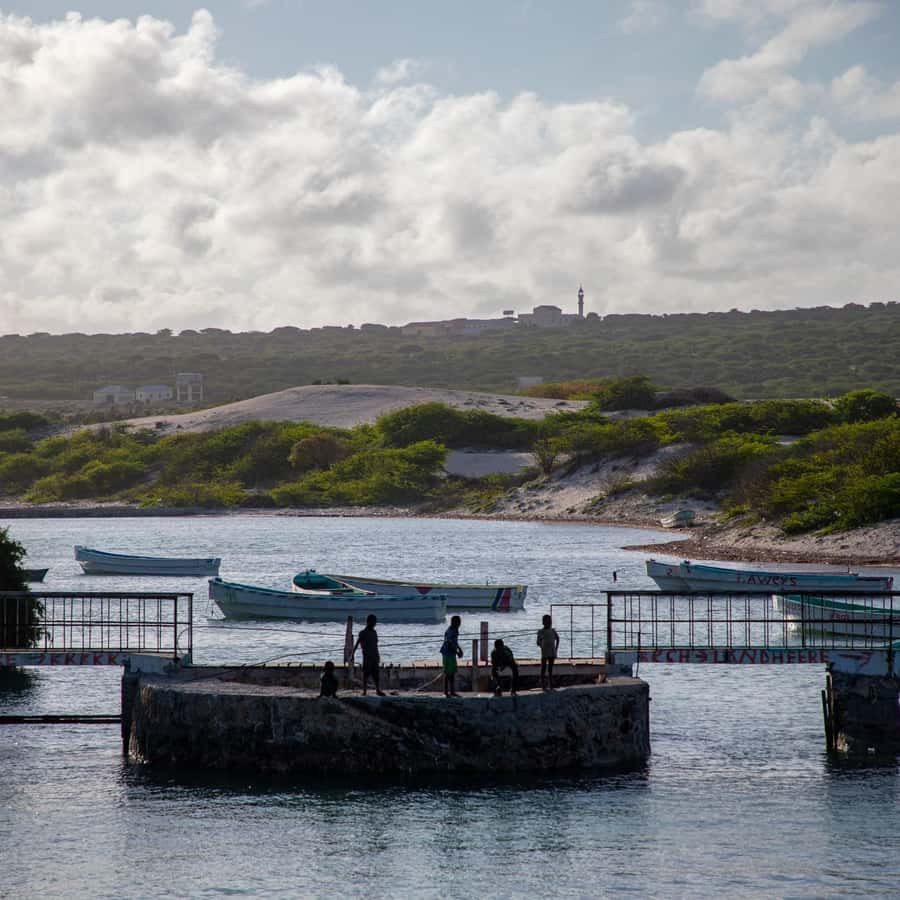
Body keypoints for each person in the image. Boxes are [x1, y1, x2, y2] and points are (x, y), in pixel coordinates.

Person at [353, 614, 385, 696]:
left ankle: (378, 690)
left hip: (375, 655)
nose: (375, 623)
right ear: (368, 622)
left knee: (376, 674)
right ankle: (364, 691)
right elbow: (357, 644)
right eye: (373, 622)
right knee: (366, 674)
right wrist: (352, 654)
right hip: (367, 656)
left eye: (375, 622)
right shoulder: (363, 633)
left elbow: (375, 645)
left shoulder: (374, 632)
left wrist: (378, 656)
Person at [440, 615, 464, 697]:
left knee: (453, 672)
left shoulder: (455, 630)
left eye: (459, 622)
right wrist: (457, 652)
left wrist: (459, 649)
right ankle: (446, 692)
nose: (459, 624)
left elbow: (455, 642)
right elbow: (449, 643)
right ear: (453, 622)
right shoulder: (450, 631)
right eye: (458, 622)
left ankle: (452, 691)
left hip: (452, 654)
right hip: (447, 653)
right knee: (447, 673)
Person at [536, 614, 560, 691]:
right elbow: (538, 642)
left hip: (552, 651)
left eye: (550, 621)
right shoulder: (541, 631)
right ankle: (543, 685)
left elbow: (558, 638)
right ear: (543, 622)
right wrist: (541, 646)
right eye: (547, 621)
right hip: (545, 652)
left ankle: (550, 685)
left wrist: (556, 648)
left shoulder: (553, 631)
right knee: (543, 668)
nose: (549, 623)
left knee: (550, 669)